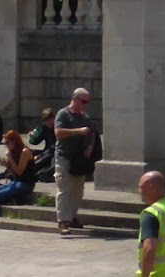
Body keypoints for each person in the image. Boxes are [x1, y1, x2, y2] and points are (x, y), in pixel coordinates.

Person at [55, 87, 99, 236]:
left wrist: (90, 148)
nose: (85, 104)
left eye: (87, 102)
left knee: (78, 190)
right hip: (64, 157)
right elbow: (58, 132)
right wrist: (78, 131)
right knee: (64, 189)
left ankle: (72, 216)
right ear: (75, 99)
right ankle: (62, 221)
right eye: (83, 101)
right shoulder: (63, 114)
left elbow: (93, 134)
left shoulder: (85, 117)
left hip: (80, 160)